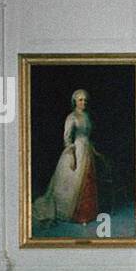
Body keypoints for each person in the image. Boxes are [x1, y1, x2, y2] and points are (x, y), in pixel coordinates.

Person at [32, 87, 98, 227]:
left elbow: (88, 136)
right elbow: (67, 139)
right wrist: (73, 157)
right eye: (80, 100)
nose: (83, 103)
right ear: (75, 101)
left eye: (85, 100)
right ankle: (72, 214)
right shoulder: (72, 117)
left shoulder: (87, 116)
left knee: (88, 182)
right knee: (73, 184)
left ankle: (86, 214)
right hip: (76, 151)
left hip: (87, 151)